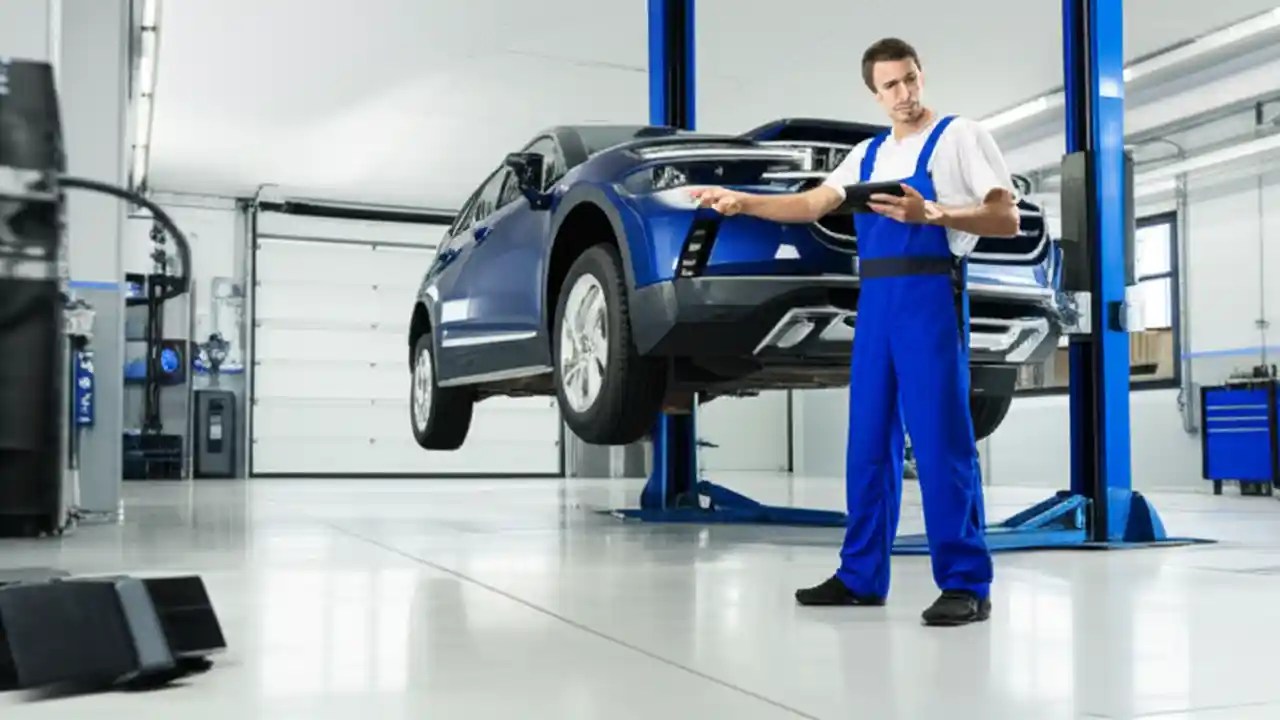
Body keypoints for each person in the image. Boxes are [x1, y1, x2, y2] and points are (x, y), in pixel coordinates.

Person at [690, 37, 1019, 626]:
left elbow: (1005, 216)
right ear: (875, 93)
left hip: (930, 298)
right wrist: (743, 201)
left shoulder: (960, 137)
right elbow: (813, 204)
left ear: (922, 75)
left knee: (941, 442)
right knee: (867, 443)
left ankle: (967, 583)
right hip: (876, 306)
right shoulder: (867, 156)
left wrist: (935, 213)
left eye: (911, 78)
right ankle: (861, 577)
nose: (904, 93)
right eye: (890, 85)